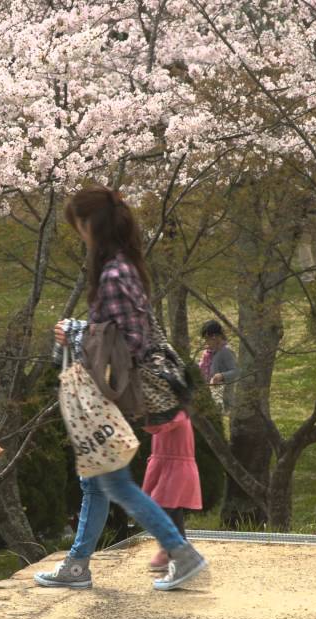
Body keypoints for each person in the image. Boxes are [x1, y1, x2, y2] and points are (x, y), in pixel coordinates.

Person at [36, 186, 208, 592]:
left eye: (78, 225)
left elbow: (127, 343)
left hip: (114, 390)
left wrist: (76, 334)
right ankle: (78, 565)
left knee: (115, 483)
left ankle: (181, 553)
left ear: (91, 224)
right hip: (114, 390)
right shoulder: (124, 267)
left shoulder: (113, 274)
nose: (78, 234)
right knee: (96, 479)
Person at [142, 411, 202, 571]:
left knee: (163, 510)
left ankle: (174, 552)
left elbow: (156, 427)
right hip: (165, 465)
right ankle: (176, 551)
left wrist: (133, 414)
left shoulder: (179, 412)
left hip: (175, 469)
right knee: (172, 511)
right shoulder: (171, 410)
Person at [199, 320, 240, 413]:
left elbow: (236, 371)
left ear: (215, 337)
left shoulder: (226, 351)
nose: (206, 342)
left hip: (224, 397)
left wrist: (222, 376)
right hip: (212, 393)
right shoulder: (210, 353)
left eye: (207, 338)